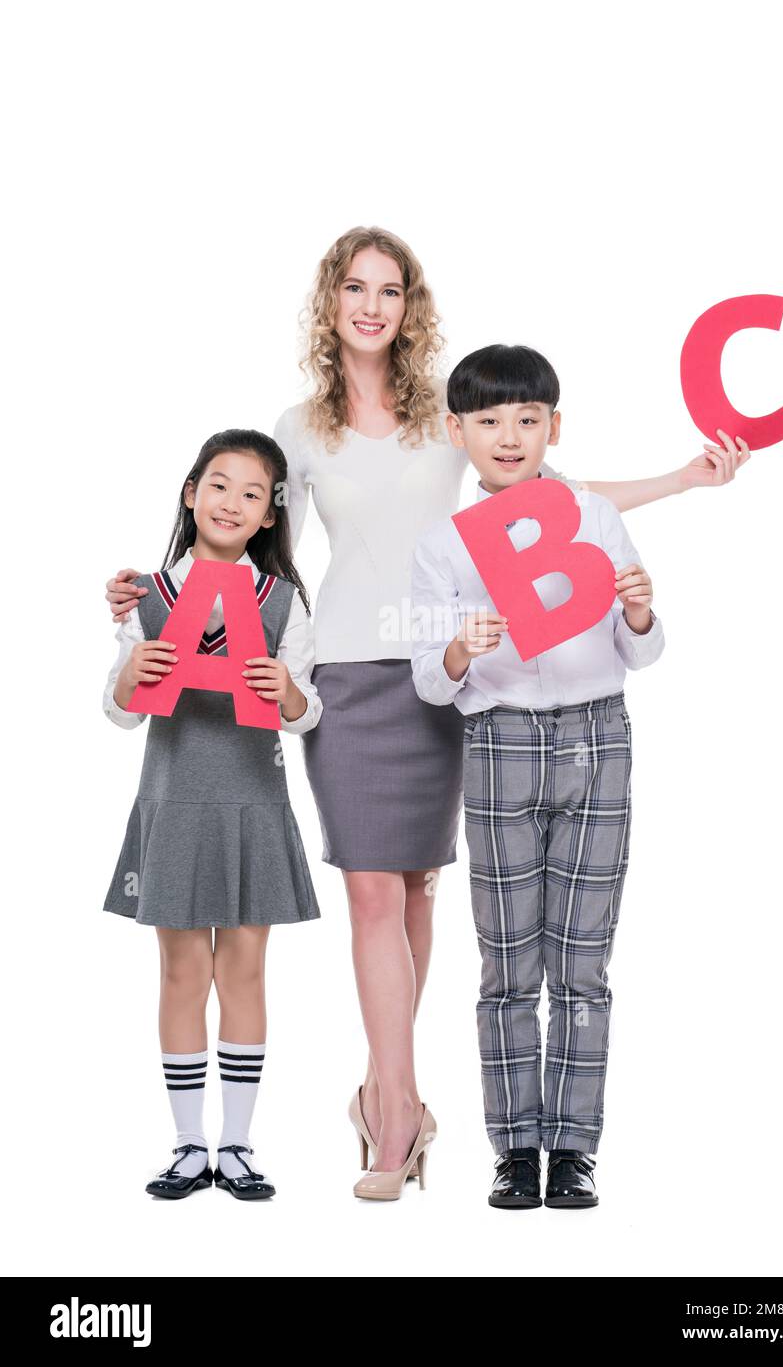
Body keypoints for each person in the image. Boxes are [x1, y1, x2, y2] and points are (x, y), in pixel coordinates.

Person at [104, 226, 748, 1200]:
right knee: (370, 892)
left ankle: (378, 1087)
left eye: (390, 290)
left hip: (443, 668)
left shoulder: (446, 413)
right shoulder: (299, 424)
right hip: (352, 680)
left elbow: (550, 508)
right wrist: (162, 597)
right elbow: (258, 543)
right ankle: (397, 1116)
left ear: (409, 307)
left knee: (416, 895)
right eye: (356, 288)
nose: (372, 305)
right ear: (331, 302)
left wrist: (681, 479)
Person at [411, 344, 664, 1210]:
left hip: (598, 737)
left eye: (527, 419)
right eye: (487, 421)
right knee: (508, 961)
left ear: (555, 425)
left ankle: (575, 1149)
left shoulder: (591, 515)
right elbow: (427, 676)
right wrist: (458, 648)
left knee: (583, 963)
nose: (509, 436)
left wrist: (638, 610)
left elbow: (642, 649)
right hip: (499, 743)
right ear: (457, 431)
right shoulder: (445, 546)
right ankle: (515, 1148)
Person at [103, 430, 322, 1201]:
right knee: (180, 970)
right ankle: (188, 1143)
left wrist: (286, 691)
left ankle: (237, 1145)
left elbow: (304, 712)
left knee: (246, 969)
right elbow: (122, 711)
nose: (232, 502)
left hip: (252, 801)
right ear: (191, 493)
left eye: (252, 493)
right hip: (174, 799)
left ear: (269, 515)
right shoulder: (148, 595)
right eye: (218, 485)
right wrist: (131, 672)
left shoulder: (283, 602)